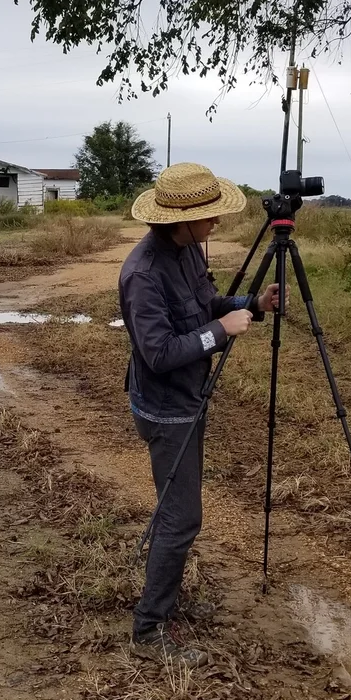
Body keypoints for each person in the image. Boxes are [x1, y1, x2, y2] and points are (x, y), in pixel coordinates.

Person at [120, 162, 279, 665]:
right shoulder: (143, 275)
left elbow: (206, 303)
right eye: (208, 216)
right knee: (182, 517)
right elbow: (159, 353)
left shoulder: (189, 250)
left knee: (178, 510)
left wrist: (253, 303)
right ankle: (149, 629)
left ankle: (165, 603)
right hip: (165, 408)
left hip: (190, 397)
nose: (216, 222)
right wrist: (220, 332)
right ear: (180, 220)